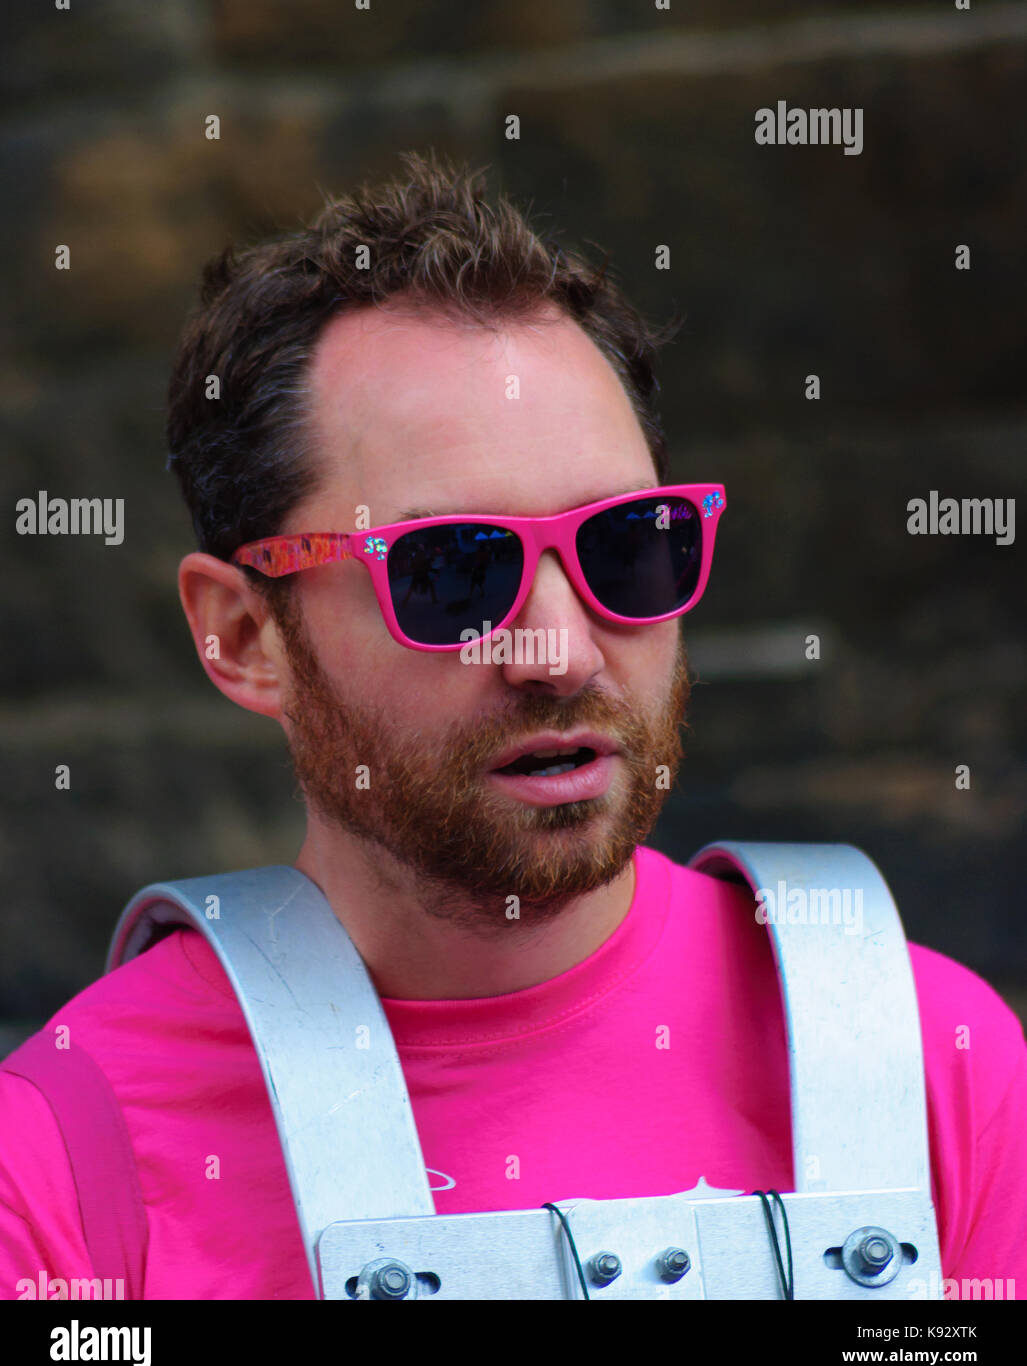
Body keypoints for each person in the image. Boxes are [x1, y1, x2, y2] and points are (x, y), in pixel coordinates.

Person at [1, 151, 1024, 1301]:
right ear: (244, 635)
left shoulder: (930, 1063)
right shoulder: (62, 1163)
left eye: (628, 546)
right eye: (451, 573)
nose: (562, 652)